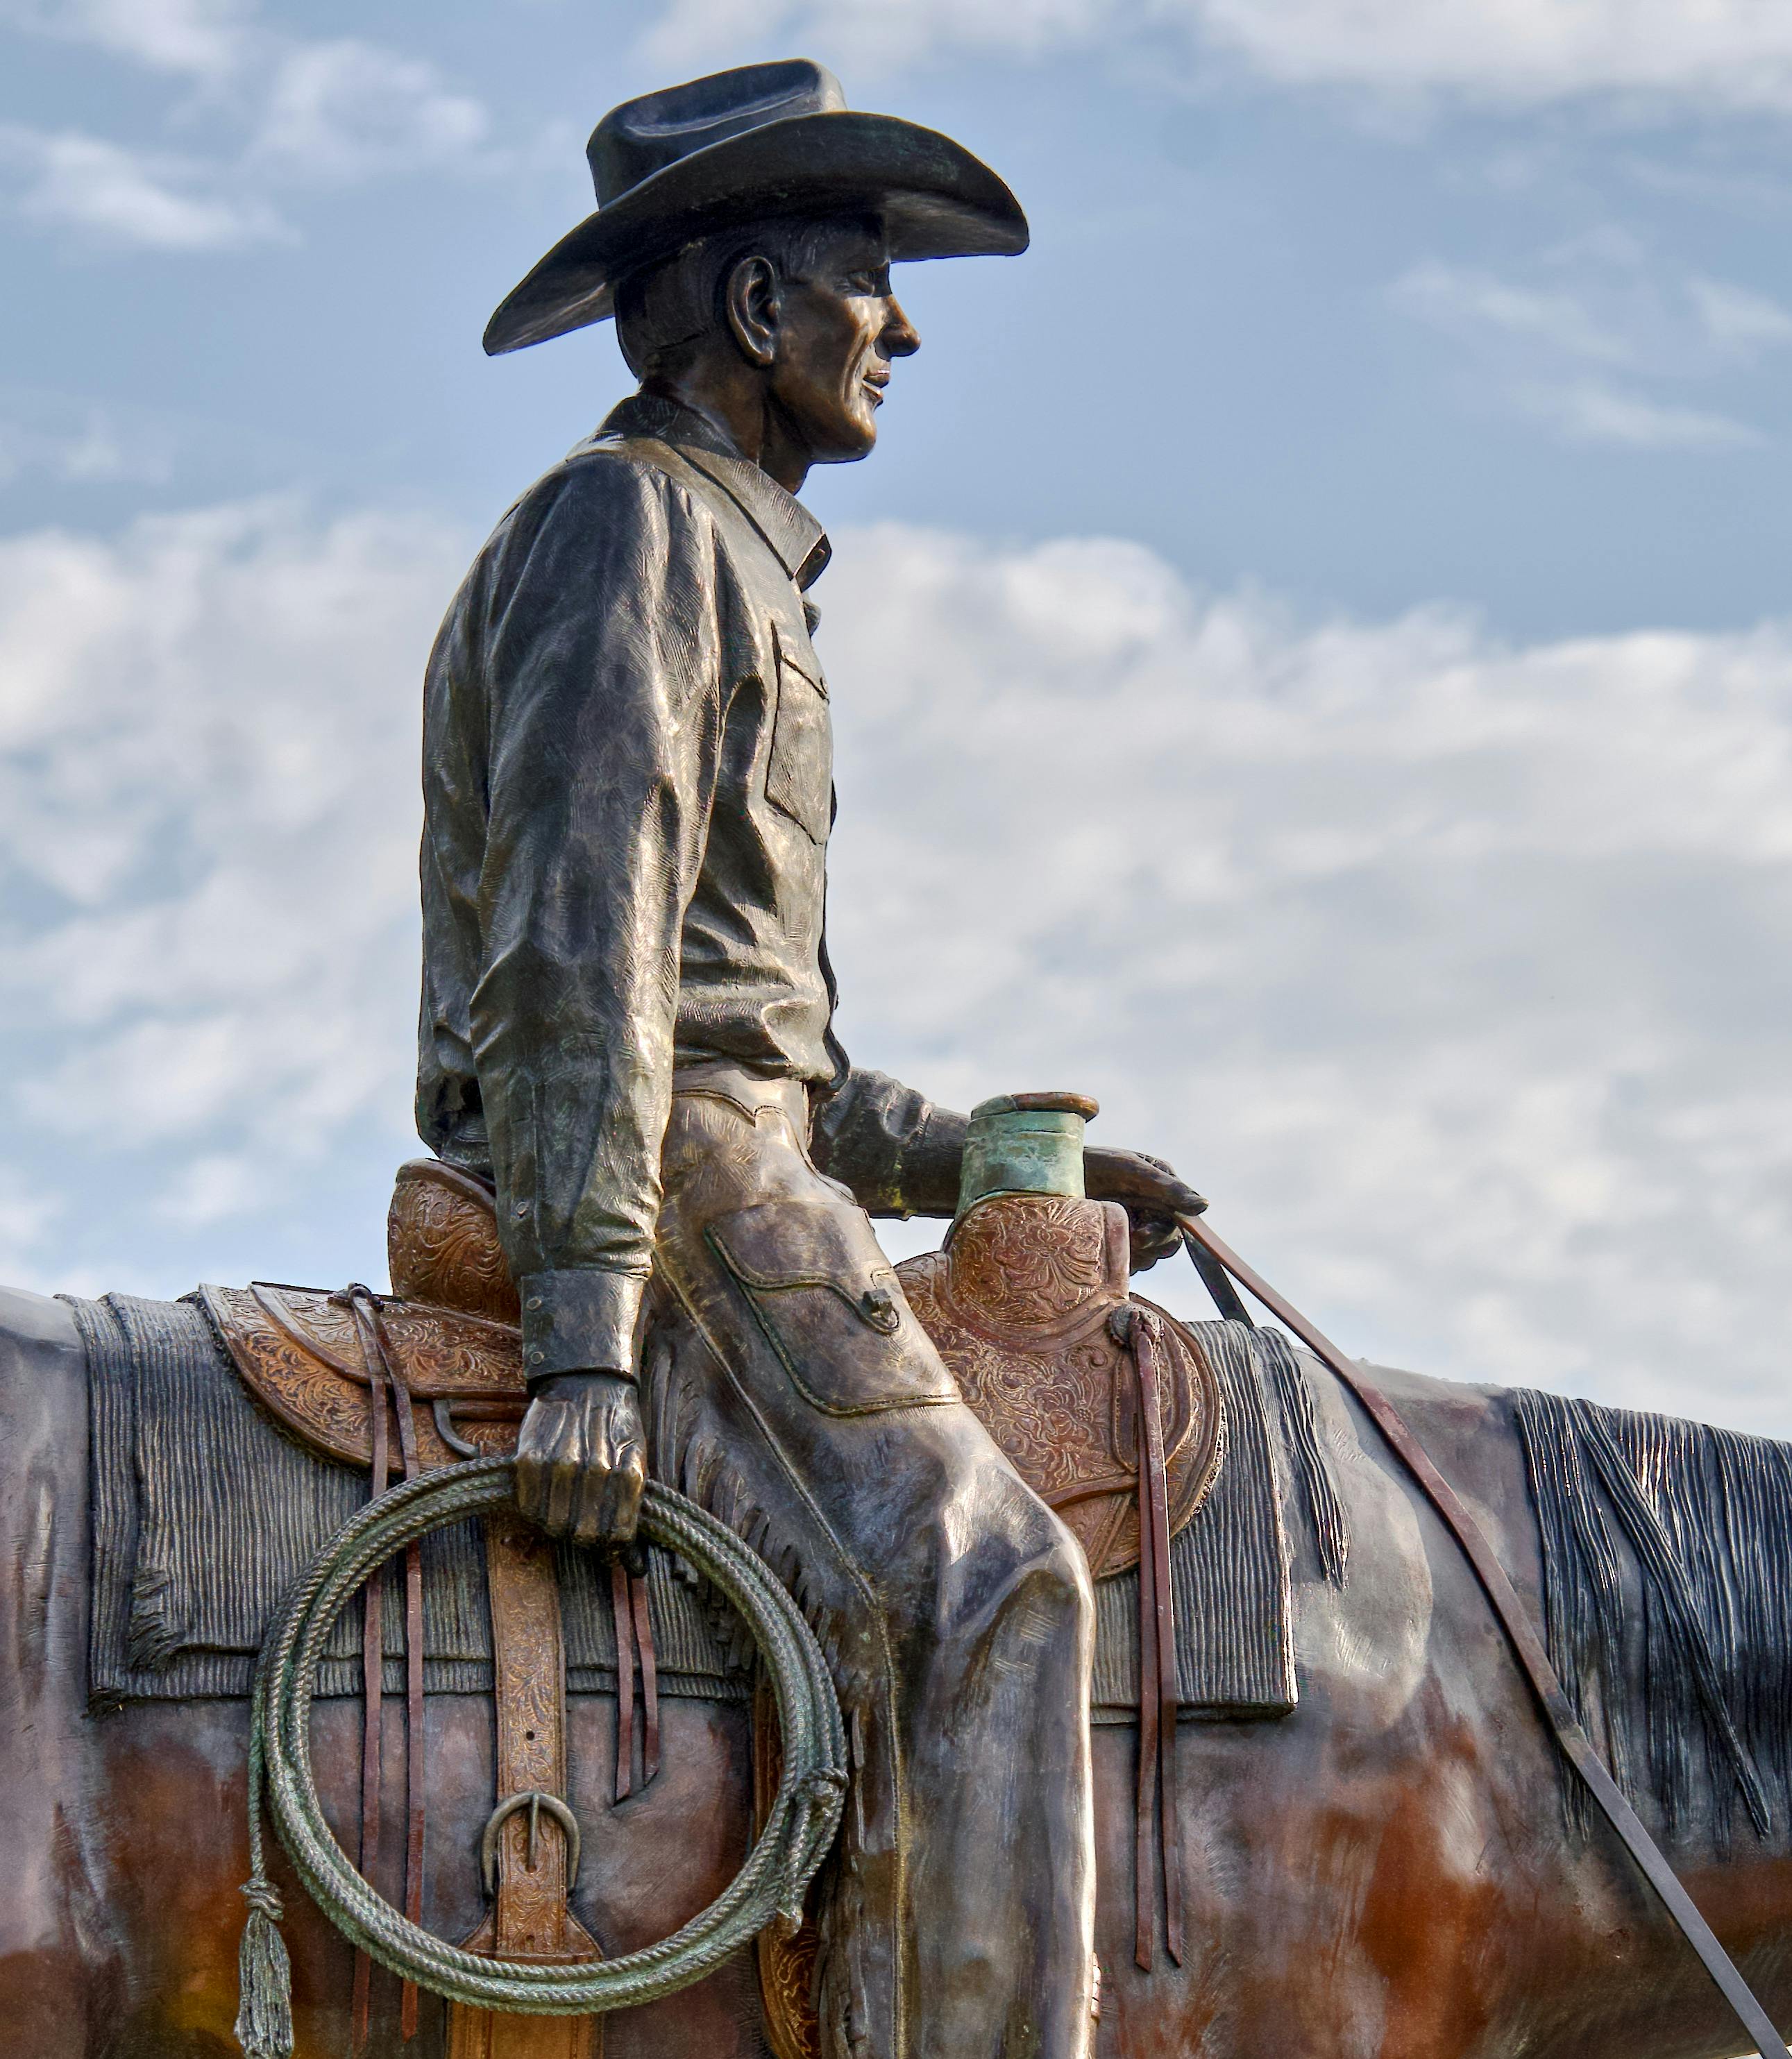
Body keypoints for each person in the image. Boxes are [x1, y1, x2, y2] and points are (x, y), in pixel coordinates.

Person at [415, 58, 1204, 2059]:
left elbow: (779, 1040)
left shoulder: (723, 556)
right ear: (761, 310)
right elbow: (580, 953)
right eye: (869, 279)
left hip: (714, 1137)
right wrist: (591, 1330)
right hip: (664, 1176)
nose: (904, 326)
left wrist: (991, 1165)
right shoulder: (632, 534)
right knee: (1001, 1593)